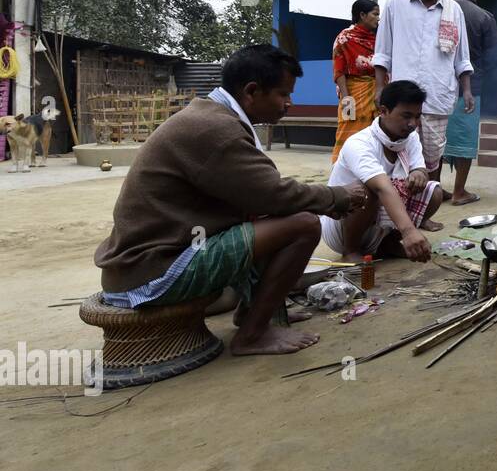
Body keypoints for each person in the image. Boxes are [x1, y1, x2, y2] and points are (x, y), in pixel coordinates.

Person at [94, 45, 367, 355]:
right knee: (302, 225)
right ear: (252, 91)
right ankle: (252, 334)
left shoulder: (215, 117)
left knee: (271, 222)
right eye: (283, 94)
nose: (289, 103)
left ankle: (255, 312)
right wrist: (337, 196)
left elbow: (259, 196)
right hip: (153, 273)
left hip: (146, 264)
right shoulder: (216, 129)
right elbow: (274, 196)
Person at [373, 0, 474, 231]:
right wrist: (380, 86)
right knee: (396, 156)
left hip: (438, 96)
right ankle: (393, 215)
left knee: (432, 159)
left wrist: (466, 89)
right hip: (400, 100)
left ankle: (424, 213)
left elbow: (461, 57)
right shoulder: (396, 4)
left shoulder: (454, 9)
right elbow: (382, 51)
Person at [321, 80, 443, 262]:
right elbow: (381, 187)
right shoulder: (359, 143)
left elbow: (420, 168)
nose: (413, 124)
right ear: (383, 111)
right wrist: (409, 231)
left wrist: (419, 174)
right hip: (341, 228)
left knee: (434, 191)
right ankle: (351, 251)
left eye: (417, 117)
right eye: (406, 116)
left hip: (379, 224)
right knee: (368, 191)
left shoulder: (410, 138)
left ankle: (388, 243)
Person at [444, 0, 497, 206]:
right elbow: (494, 55)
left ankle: (435, 190)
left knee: (437, 140)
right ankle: (459, 192)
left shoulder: (442, 12)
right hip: (470, 88)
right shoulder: (484, 16)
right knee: (465, 140)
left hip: (439, 87)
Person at [331, 0, 380, 162]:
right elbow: (339, 70)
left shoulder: (379, 39)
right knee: (349, 131)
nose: (378, 18)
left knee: (376, 133)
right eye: (375, 14)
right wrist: (346, 100)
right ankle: (342, 170)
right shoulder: (344, 38)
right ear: (362, 15)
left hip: (378, 91)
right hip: (353, 93)